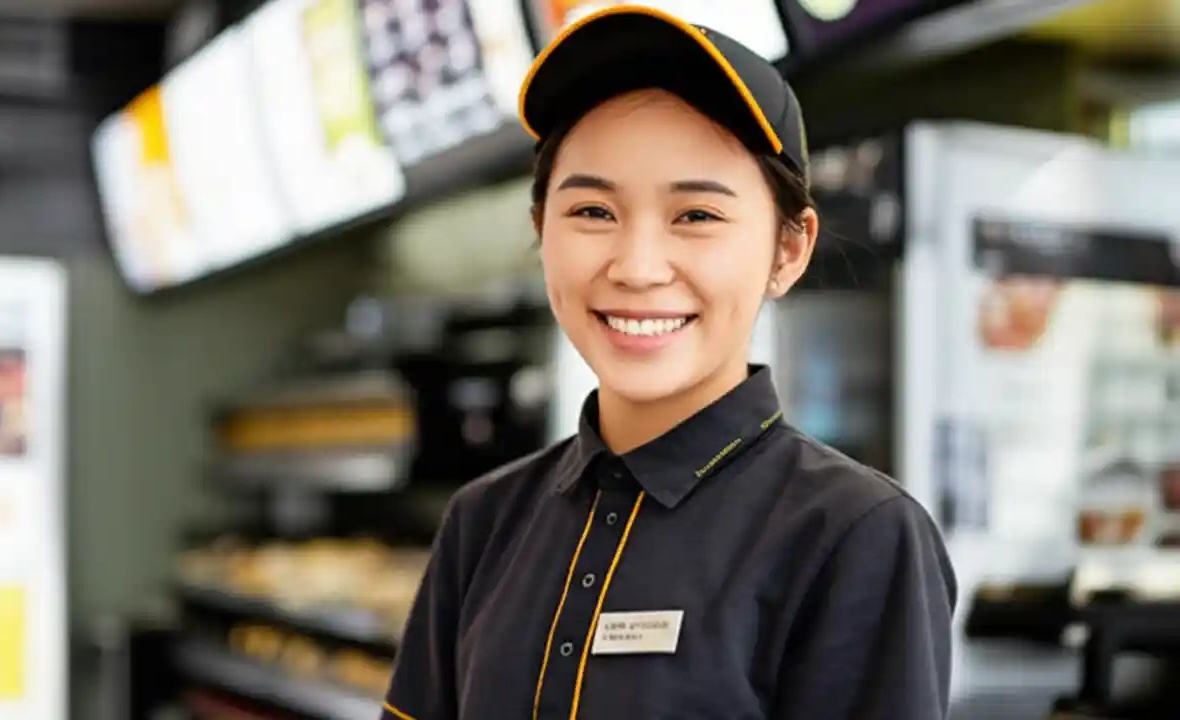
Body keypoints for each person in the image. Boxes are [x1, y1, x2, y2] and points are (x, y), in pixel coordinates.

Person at [382, 6, 956, 719]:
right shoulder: (484, 521)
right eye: (592, 211)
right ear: (542, 231)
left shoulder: (856, 534)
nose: (638, 267)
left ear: (789, 250)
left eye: (697, 216)